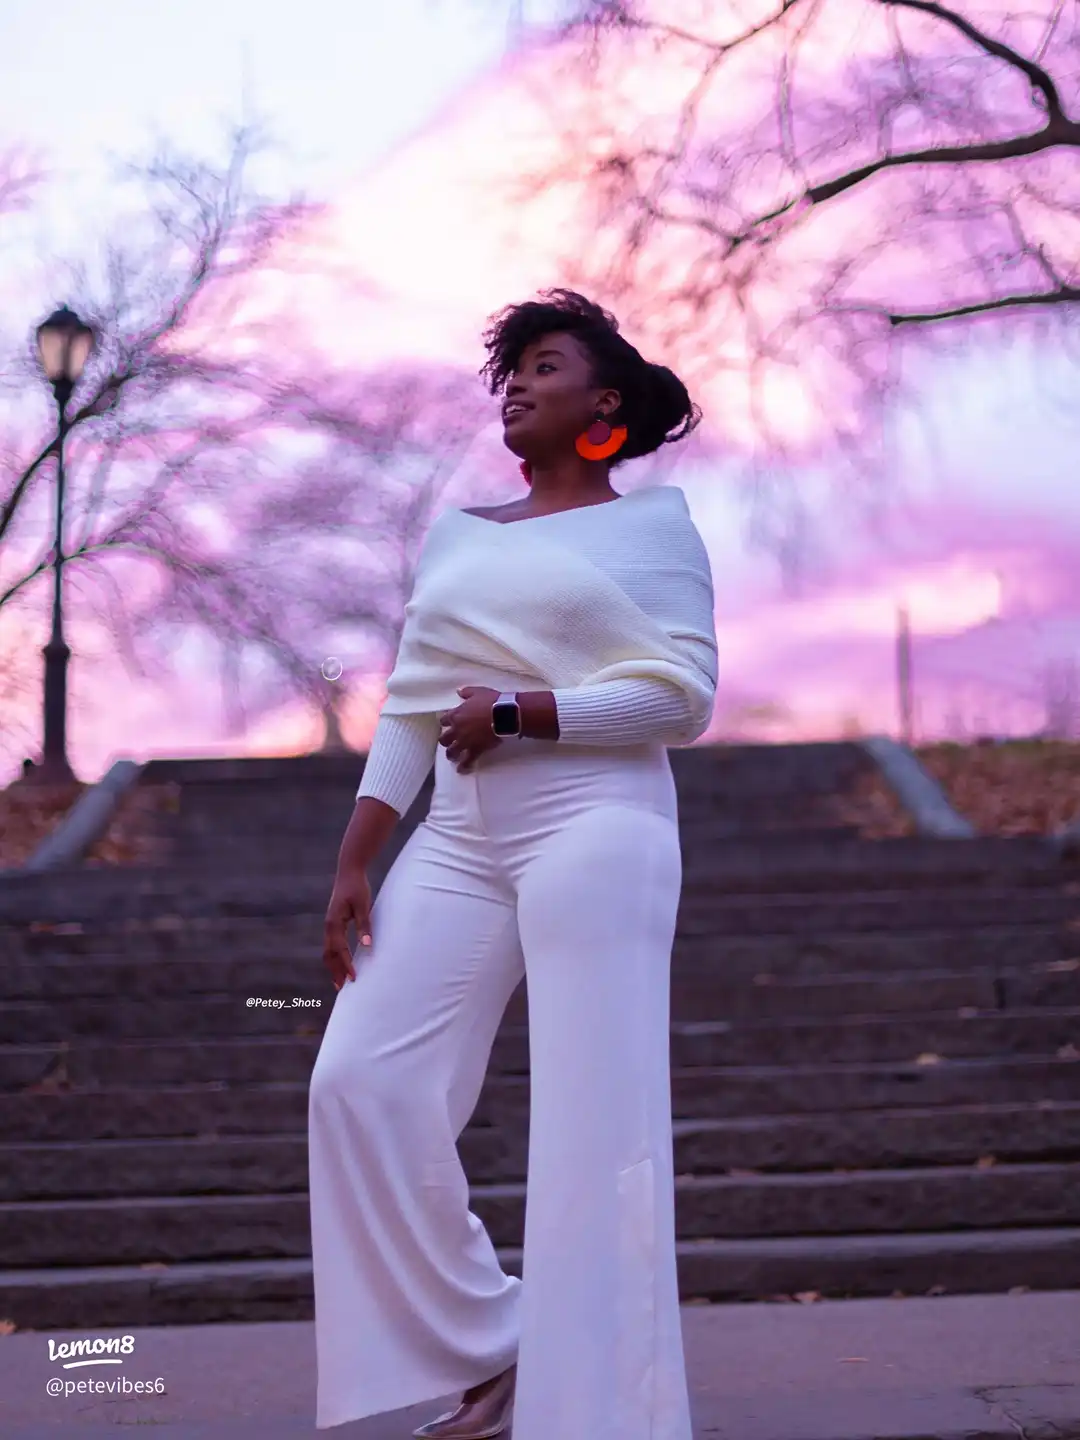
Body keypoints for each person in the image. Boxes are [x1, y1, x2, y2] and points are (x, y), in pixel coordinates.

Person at [309, 288, 718, 1439]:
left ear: (606, 404)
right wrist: (356, 857)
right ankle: (501, 1344)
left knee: (595, 1122)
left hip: (597, 822)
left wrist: (525, 712)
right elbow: (414, 702)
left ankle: (602, 1411)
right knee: (360, 1083)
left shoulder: (653, 531)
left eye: (545, 366)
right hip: (457, 833)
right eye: (511, 372)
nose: (519, 386)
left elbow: (682, 696)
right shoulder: (460, 535)